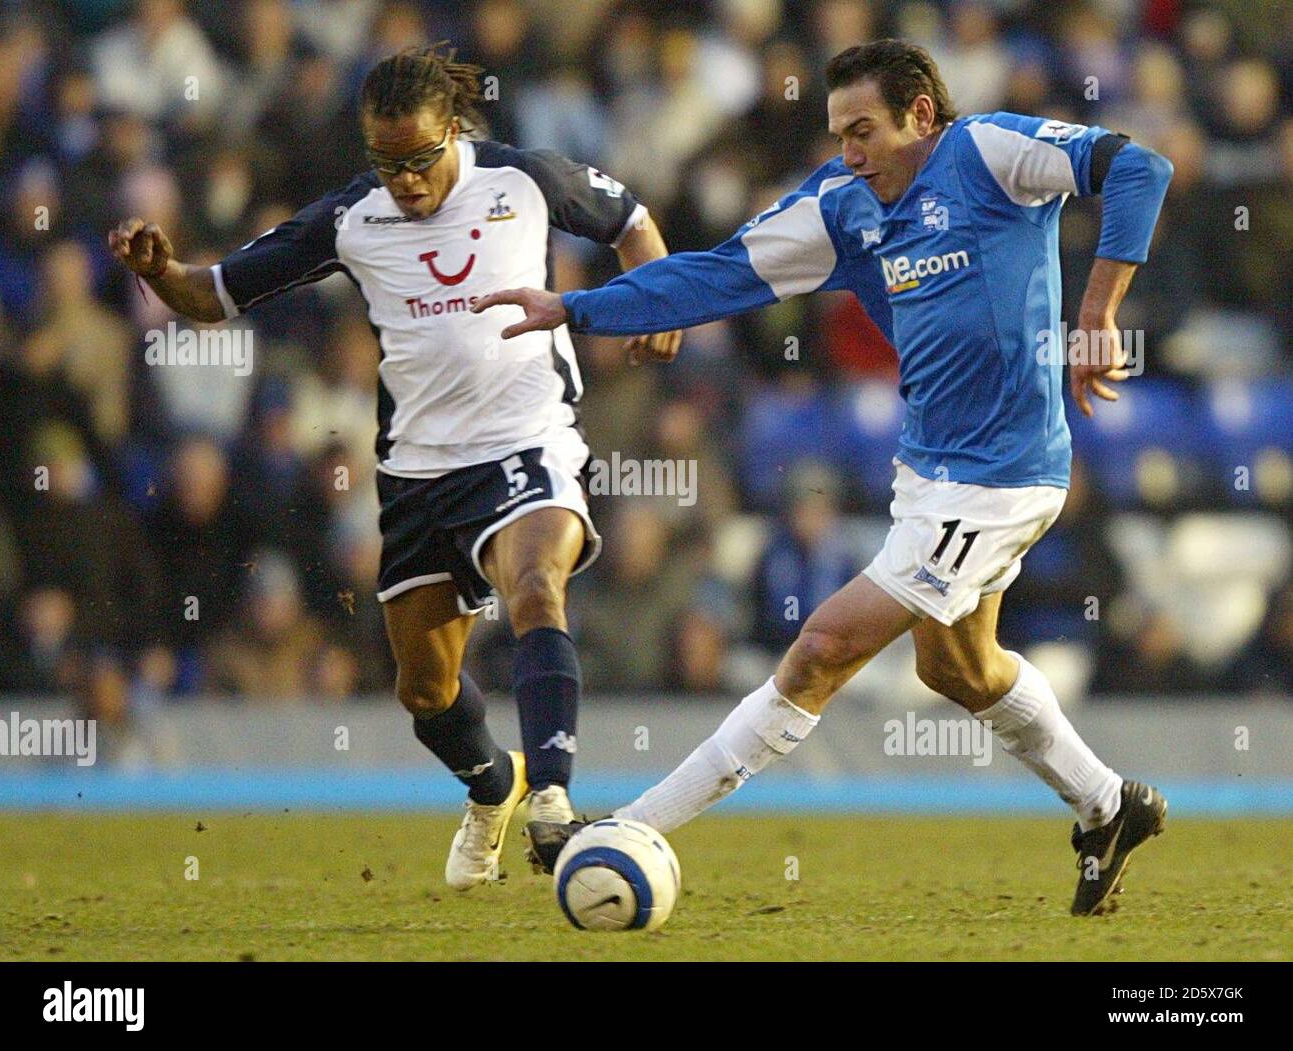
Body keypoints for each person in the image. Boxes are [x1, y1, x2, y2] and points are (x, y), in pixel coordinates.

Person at [475, 39, 1173, 917]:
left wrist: (1099, 311)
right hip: (926, 473)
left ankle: (630, 825)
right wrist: (574, 308)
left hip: (1006, 473)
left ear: (923, 115)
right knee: (957, 667)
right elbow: (719, 274)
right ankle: (1111, 807)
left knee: (822, 648)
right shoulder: (843, 206)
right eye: (839, 132)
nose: (848, 152)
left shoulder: (990, 152)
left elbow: (1140, 167)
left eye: (864, 130)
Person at [108, 45, 681, 891]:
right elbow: (216, 293)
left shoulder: (524, 179)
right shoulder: (350, 218)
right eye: (386, 163)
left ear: (453, 129)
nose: (405, 181)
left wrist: (656, 294)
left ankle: (555, 801)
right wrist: (162, 271)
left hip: (528, 436)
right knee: (423, 691)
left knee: (534, 589)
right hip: (418, 470)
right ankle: (496, 783)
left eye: (418, 159)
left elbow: (629, 217)